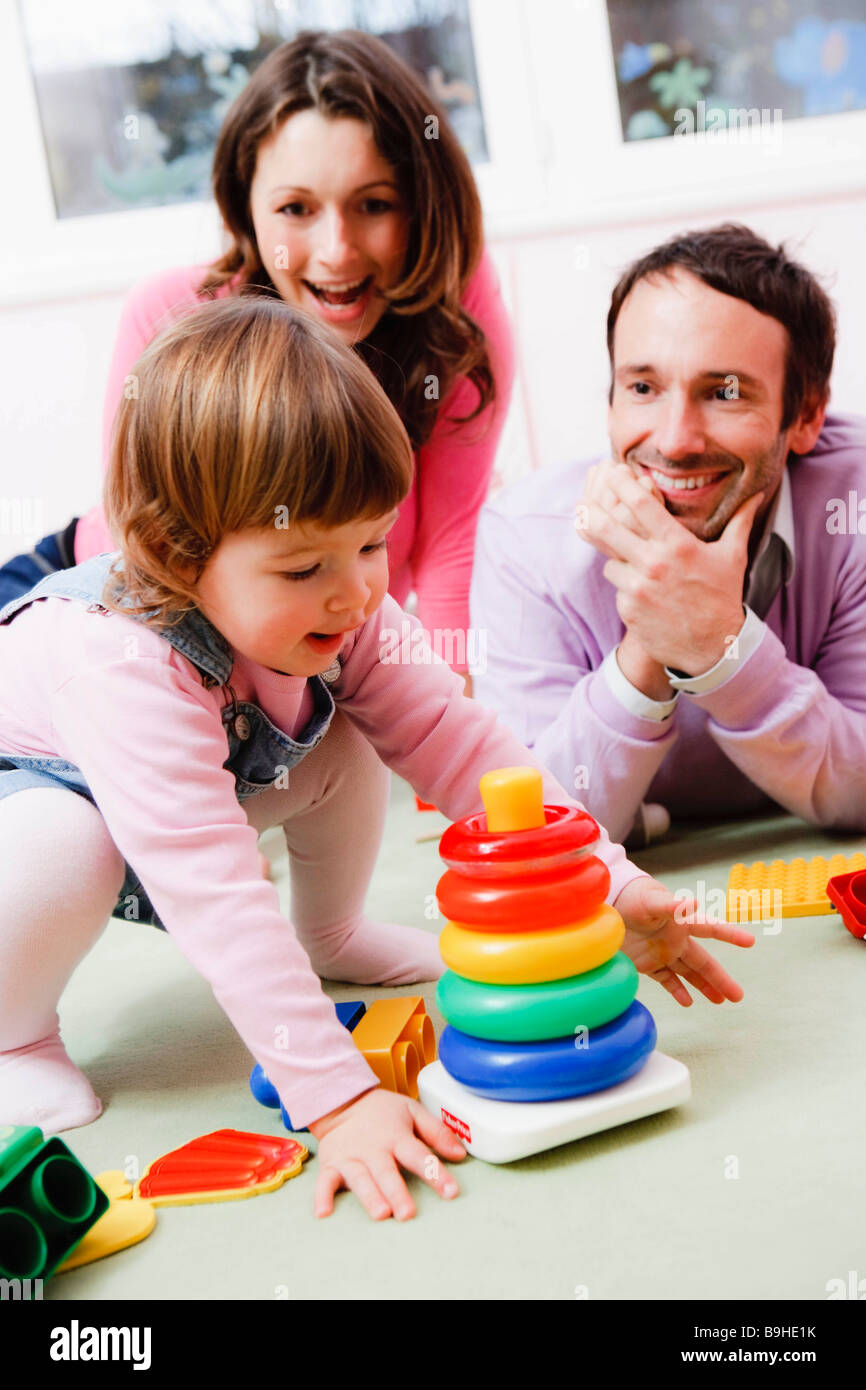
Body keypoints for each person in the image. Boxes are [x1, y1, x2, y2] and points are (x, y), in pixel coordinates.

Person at [0, 299, 753, 1221]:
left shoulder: (343, 609)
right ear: (172, 554)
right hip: (35, 800)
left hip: (215, 771)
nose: (357, 591)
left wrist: (603, 877)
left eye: (371, 543)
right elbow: (213, 890)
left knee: (352, 720)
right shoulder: (118, 664)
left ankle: (335, 931)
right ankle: (13, 1041)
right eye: (304, 566)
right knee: (62, 843)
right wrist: (341, 1097)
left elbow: (467, 750)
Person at [0, 29, 514, 690]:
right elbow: (135, 557)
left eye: (375, 204)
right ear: (245, 206)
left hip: (294, 658)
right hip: (94, 605)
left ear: (421, 209)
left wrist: (450, 738)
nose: (336, 251)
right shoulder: (174, 312)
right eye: (295, 208)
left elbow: (452, 540)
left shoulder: (454, 317)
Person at [471, 223, 866, 846]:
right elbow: (535, 827)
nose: (676, 440)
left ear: (807, 415)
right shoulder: (524, 538)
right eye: (643, 388)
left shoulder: (855, 509)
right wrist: (653, 639)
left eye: (724, 393)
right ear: (611, 400)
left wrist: (718, 644)